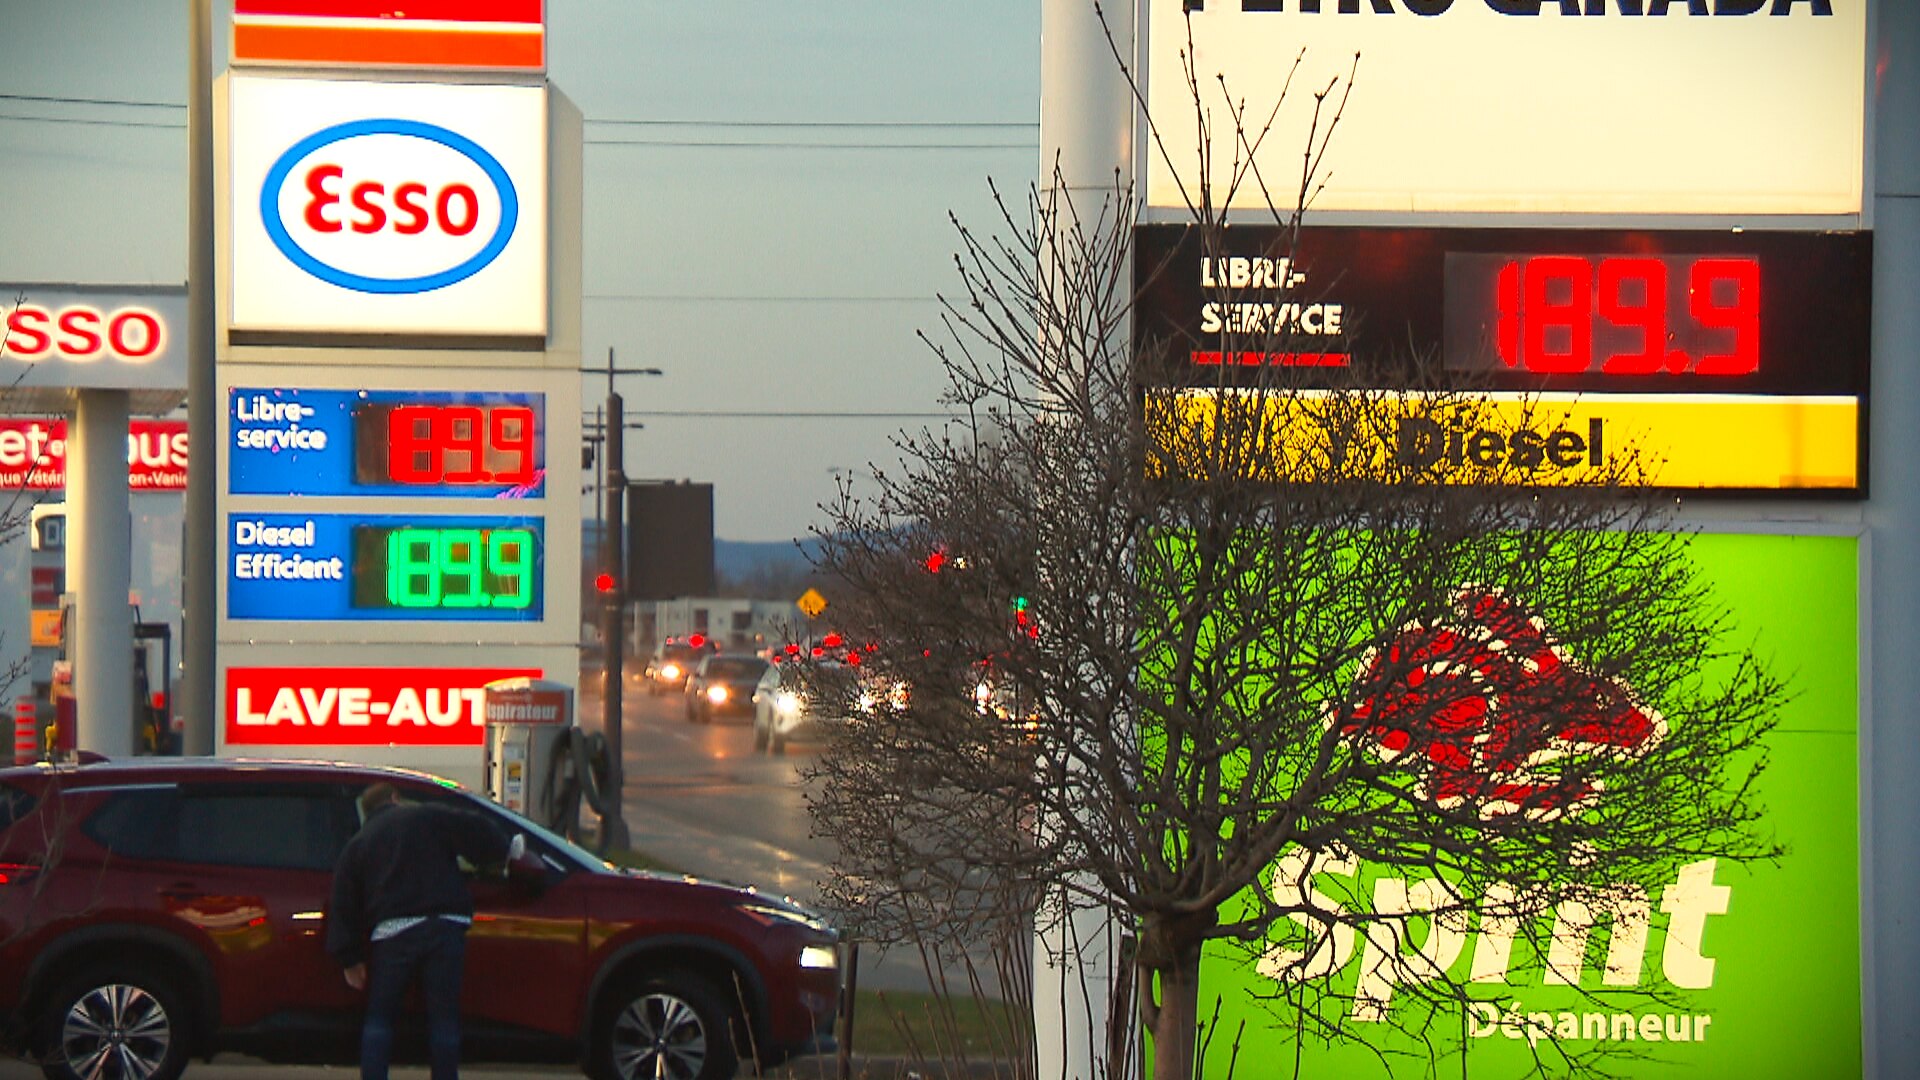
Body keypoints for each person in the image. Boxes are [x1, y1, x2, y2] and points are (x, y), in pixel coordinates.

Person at [326, 783, 526, 1080]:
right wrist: (506, 850)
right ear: (395, 798)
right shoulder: (425, 817)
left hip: (393, 932)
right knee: (443, 1020)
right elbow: (476, 830)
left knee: (380, 1019)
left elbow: (343, 900)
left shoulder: (361, 841)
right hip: (445, 923)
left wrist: (349, 957)